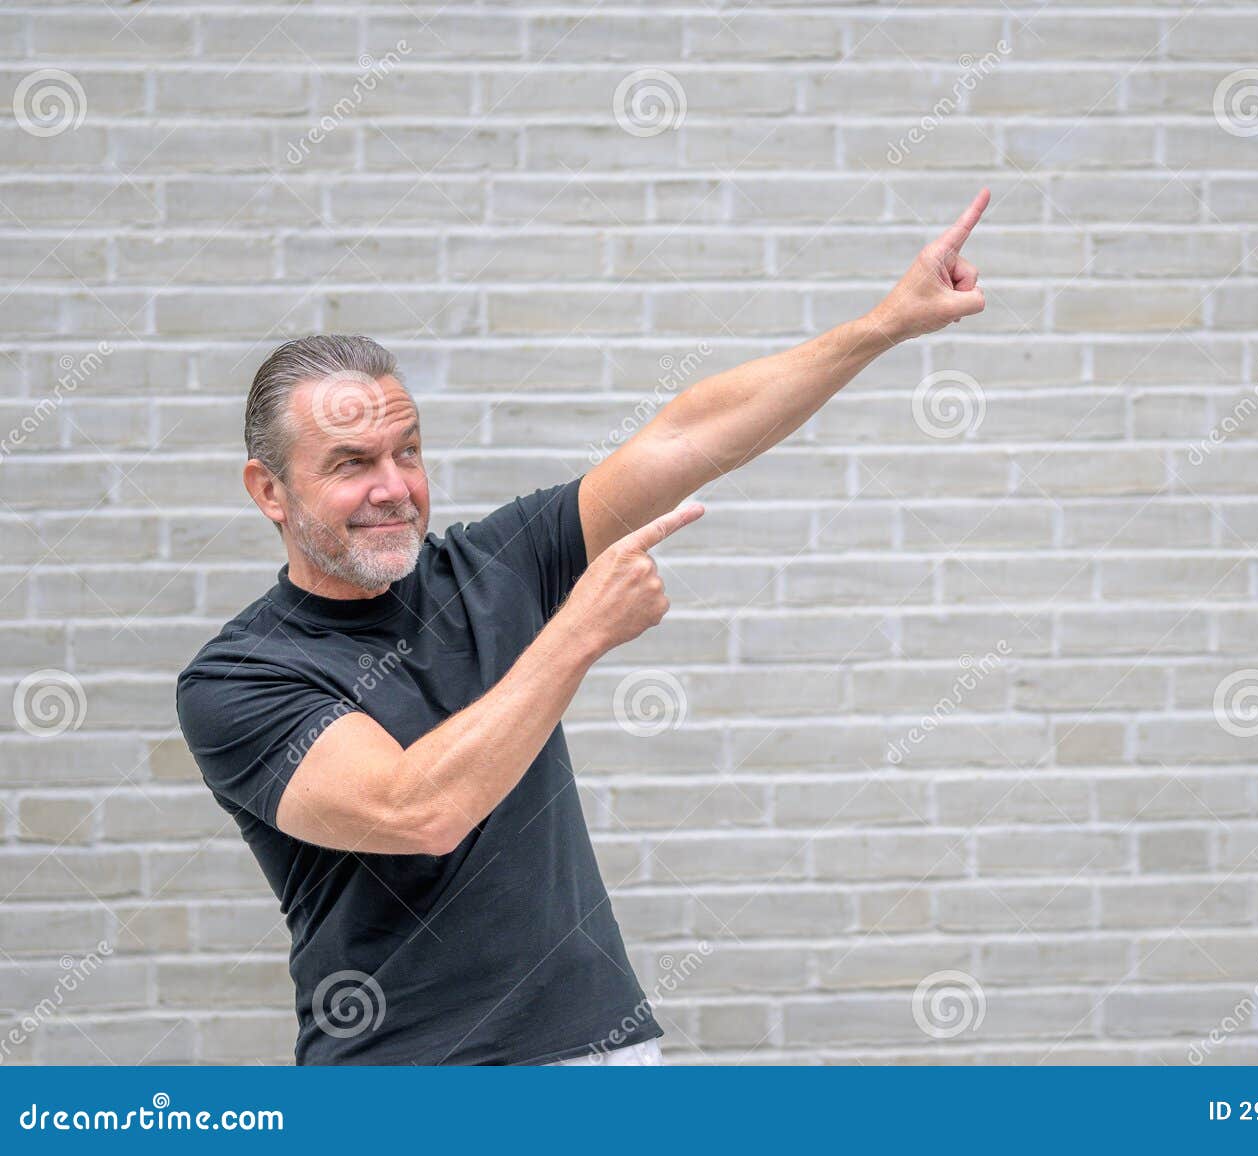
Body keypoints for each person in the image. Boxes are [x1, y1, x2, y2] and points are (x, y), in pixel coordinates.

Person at [174, 190, 991, 1065]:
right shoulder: (239, 679)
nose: (394, 487)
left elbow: (687, 435)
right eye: (351, 465)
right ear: (270, 491)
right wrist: (578, 633)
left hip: (605, 1057)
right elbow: (419, 809)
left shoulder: (495, 565)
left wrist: (883, 326)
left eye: (407, 452)